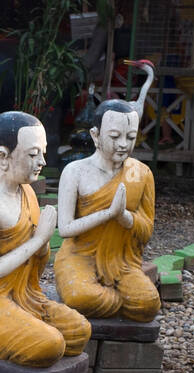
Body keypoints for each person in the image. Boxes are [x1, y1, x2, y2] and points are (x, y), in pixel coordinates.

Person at [0, 111, 91, 365]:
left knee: (79, 331)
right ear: (3, 157)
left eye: (43, 153)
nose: (42, 162)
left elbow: (35, 265)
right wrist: (38, 240)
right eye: (33, 154)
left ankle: (20, 325)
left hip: (22, 296)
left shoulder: (26, 192)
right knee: (51, 344)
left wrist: (43, 244)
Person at [53, 100, 161, 322]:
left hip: (121, 262)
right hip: (80, 257)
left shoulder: (141, 174)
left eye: (130, 138)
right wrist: (108, 214)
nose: (123, 144)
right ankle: (119, 302)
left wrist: (125, 217)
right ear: (95, 135)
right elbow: (65, 228)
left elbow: (146, 230)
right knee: (80, 297)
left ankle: (117, 299)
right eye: (114, 137)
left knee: (148, 304)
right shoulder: (75, 172)